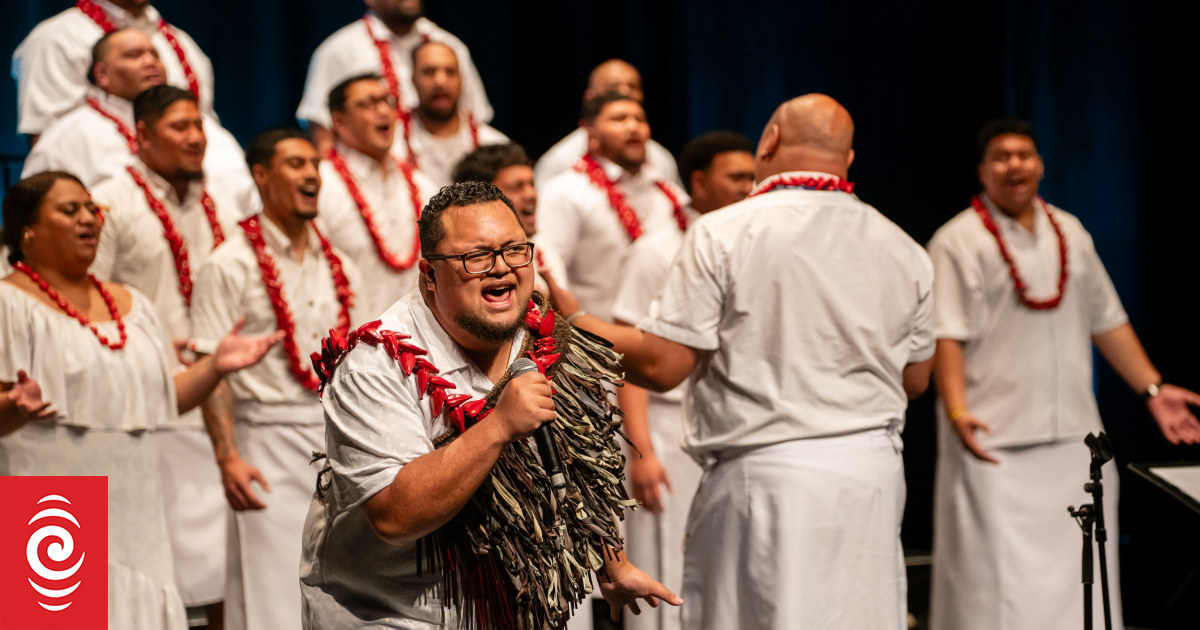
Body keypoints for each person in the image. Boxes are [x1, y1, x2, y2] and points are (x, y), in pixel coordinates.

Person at [557, 94, 935, 629]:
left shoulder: (723, 232)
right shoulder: (904, 247)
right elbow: (915, 377)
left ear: (770, 141)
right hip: (870, 477)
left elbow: (665, 366)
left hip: (769, 480)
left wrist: (568, 322)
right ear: (848, 160)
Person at [299, 181, 681, 629]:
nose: (501, 269)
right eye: (475, 257)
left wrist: (612, 564)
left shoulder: (543, 340)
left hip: (505, 609)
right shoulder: (375, 365)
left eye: (515, 250)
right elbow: (392, 515)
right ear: (428, 275)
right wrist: (498, 427)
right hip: (388, 612)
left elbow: (576, 469)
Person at [926, 118, 1200, 630]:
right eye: (1002, 157)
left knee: (1083, 581)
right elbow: (946, 335)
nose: (1015, 165)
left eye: (1025, 154)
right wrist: (958, 409)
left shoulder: (1070, 231)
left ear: (1040, 165)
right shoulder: (956, 240)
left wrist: (1153, 389)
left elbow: (1108, 320)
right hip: (992, 442)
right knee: (995, 588)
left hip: (1075, 444)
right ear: (982, 171)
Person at [0, 170, 281, 630]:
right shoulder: (9, 303)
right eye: (69, 211)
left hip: (134, 498)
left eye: (92, 208)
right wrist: (13, 407)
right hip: (50, 497)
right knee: (59, 618)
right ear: (27, 229)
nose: (88, 219)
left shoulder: (132, 304)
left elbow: (164, 398)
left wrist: (214, 367)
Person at [190, 129, 363, 630]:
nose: (311, 173)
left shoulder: (341, 267)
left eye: (314, 163)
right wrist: (228, 457)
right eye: (294, 163)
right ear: (261, 176)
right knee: (270, 588)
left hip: (334, 441)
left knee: (339, 586)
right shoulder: (229, 264)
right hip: (261, 441)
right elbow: (214, 369)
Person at [88, 83, 240, 625]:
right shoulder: (107, 202)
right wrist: (146, 341)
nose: (196, 138)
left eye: (198, 125)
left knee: (220, 560)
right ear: (142, 135)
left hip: (217, 395)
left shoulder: (218, 203)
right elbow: (81, 296)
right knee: (150, 559)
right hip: (144, 402)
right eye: (180, 127)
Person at [610, 130, 754, 630]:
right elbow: (626, 352)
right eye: (736, 177)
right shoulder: (657, 250)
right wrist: (642, 452)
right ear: (698, 181)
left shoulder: (750, 244)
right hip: (667, 432)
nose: (748, 187)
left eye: (753, 177)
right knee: (663, 565)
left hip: (726, 428)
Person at [20, 28, 252, 203]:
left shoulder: (210, 131)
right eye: (134, 55)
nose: (150, 62)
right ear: (101, 73)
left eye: (155, 54)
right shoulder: (67, 138)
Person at [537, 90, 692, 322]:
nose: (633, 126)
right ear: (591, 134)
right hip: (594, 345)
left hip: (664, 337)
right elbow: (550, 271)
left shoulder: (669, 193)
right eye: (619, 119)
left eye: (640, 119)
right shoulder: (565, 191)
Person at [296, 0, 493, 158]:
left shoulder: (450, 46)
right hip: (370, 186)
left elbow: (474, 117)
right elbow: (322, 133)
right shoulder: (338, 50)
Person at [317, 73, 437, 318]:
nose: (383, 111)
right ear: (339, 121)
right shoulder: (320, 186)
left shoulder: (422, 186)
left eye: (387, 101)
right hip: (349, 343)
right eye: (368, 104)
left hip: (420, 343)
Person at [12, 0, 217, 142]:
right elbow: (47, 148)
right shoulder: (55, 40)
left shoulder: (182, 44)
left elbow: (206, 126)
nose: (149, 62)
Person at [534, 59, 680, 188]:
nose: (624, 92)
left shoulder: (661, 158)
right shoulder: (560, 160)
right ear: (589, 98)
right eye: (612, 86)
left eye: (632, 86)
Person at [452, 142, 569, 295]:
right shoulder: (466, 262)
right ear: (481, 198)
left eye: (531, 184)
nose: (531, 194)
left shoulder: (546, 252)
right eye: (516, 187)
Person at [392, 41, 507, 188]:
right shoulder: (392, 144)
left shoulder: (493, 145)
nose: (440, 81)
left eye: (450, 71)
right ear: (413, 79)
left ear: (462, 80)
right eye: (429, 72)